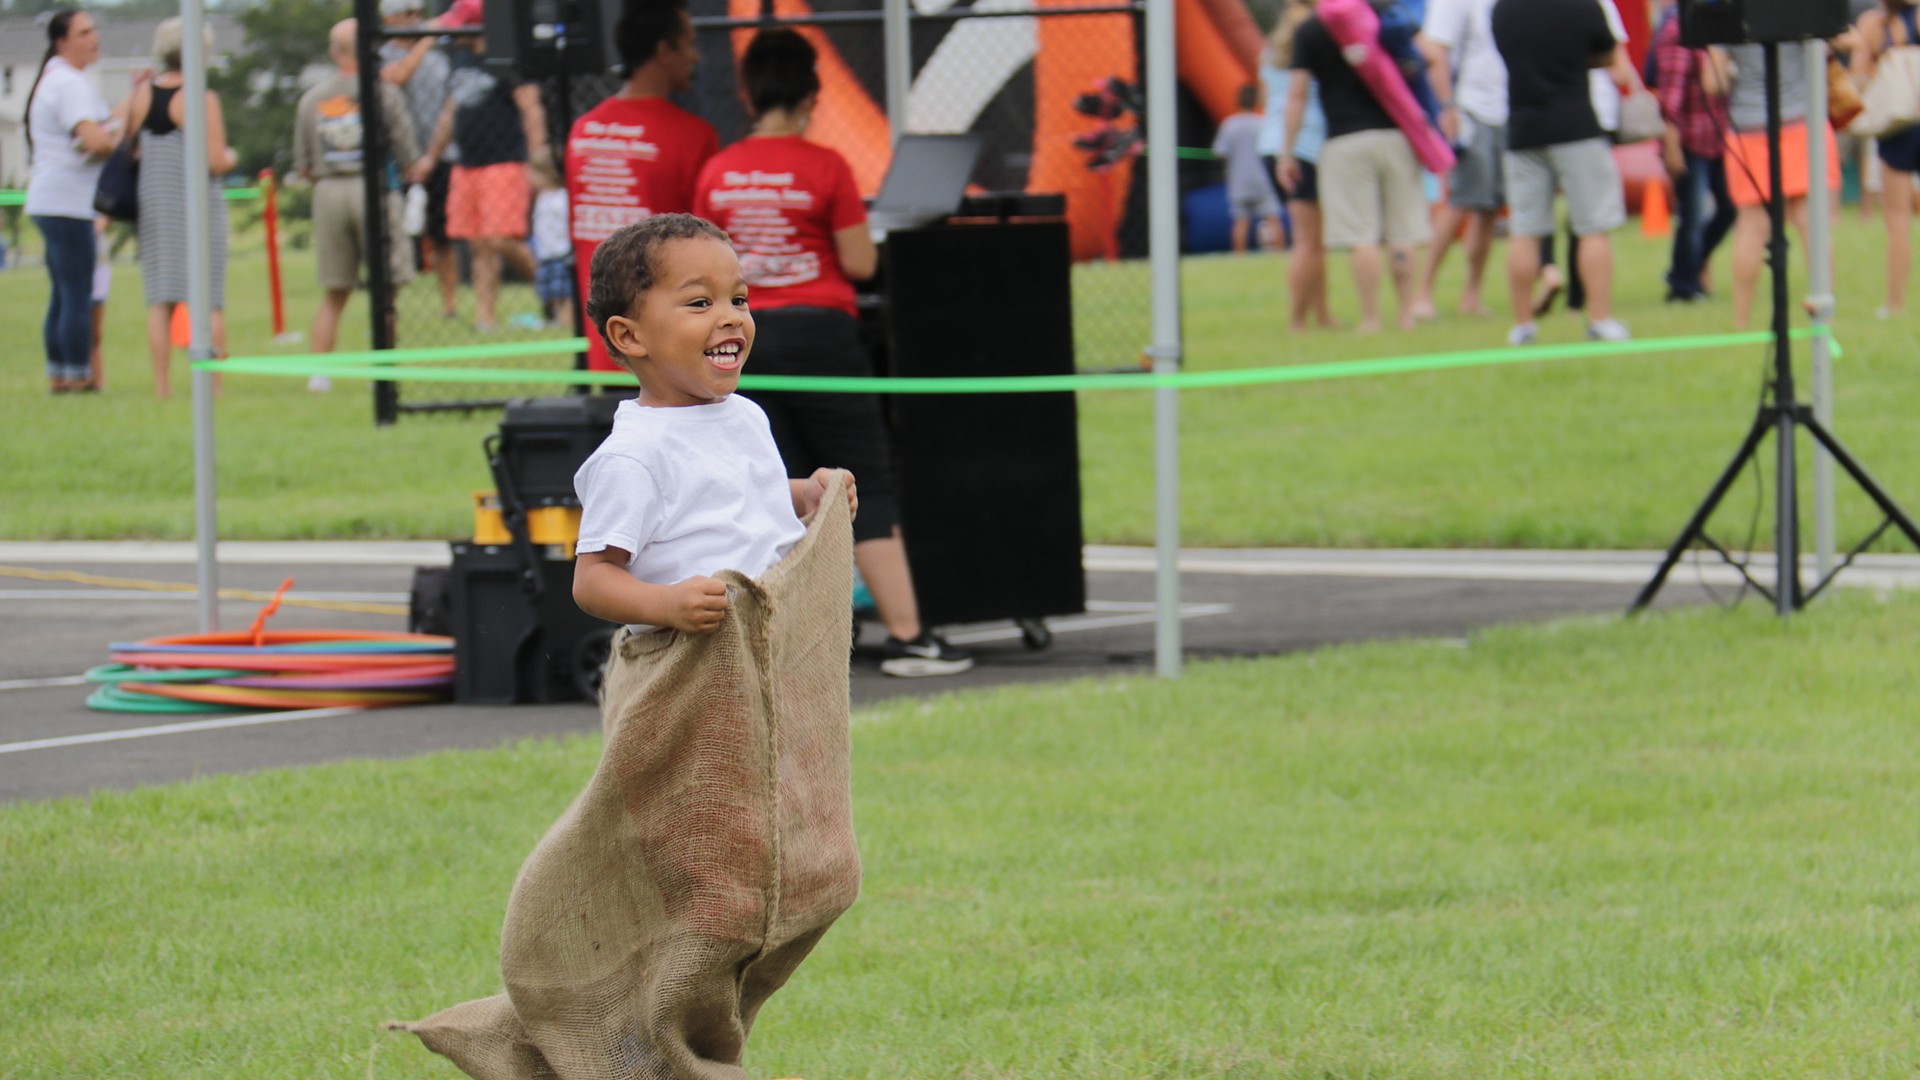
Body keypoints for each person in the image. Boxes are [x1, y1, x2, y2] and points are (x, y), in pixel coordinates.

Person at [694, 29, 975, 676]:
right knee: (860, 478)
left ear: (746, 94)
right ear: (812, 96)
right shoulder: (826, 166)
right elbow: (860, 261)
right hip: (822, 335)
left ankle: (786, 642)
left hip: (746, 338)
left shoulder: (718, 172)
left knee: (776, 484)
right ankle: (908, 635)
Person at [572, 213, 855, 632]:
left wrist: (804, 495)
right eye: (700, 303)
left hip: (773, 634)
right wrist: (666, 604)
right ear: (629, 336)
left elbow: (738, 497)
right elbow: (592, 579)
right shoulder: (633, 456)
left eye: (738, 299)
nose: (732, 317)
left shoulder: (745, 414)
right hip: (692, 654)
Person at [565, 0, 718, 372]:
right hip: (671, 354)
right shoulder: (691, 135)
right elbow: (710, 244)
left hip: (608, 339)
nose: (695, 57)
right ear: (665, 51)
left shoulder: (584, 130)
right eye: (689, 44)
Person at [1282, 2, 1434, 333]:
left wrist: (1287, 151)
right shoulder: (1383, 12)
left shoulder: (1311, 29)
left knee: (1361, 236)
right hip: (1397, 137)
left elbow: (1297, 95)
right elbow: (1427, 57)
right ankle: (1406, 315)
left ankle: (1371, 319)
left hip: (1345, 141)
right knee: (1402, 232)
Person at [1491, 0, 1631, 345]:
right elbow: (1608, 56)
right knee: (1593, 227)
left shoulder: (1503, 9)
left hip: (1522, 128)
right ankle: (1599, 319)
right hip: (1575, 124)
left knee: (1525, 230)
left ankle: (1523, 325)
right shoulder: (1582, 6)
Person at [296, 18, 418, 388]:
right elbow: (407, 154)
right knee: (386, 291)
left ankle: (320, 376)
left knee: (335, 290)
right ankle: (382, 375)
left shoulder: (311, 99)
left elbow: (303, 166)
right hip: (374, 190)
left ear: (334, 53)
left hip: (328, 192)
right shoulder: (384, 93)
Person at [122, 16, 239, 399]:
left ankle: (162, 386)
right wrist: (233, 157)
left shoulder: (142, 96)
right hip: (196, 205)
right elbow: (215, 161)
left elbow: (130, 147)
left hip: (155, 203)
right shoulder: (200, 97)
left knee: (161, 299)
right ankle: (214, 385)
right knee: (209, 298)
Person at [410, 9, 546, 333]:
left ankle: (553, 294)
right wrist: (431, 156)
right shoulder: (461, 61)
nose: (454, 35)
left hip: (505, 161)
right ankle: (485, 317)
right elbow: (449, 112)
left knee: (501, 239)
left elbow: (531, 108)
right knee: (478, 244)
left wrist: (537, 158)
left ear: (478, 28)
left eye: (460, 28)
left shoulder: (506, 61)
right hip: (467, 165)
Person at [1706, 40, 1841, 328]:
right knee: (1811, 223)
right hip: (1803, 121)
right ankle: (1824, 314)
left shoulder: (1724, 14)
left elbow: (1712, 83)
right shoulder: (1801, 13)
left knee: (1751, 226)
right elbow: (1832, 47)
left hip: (1749, 126)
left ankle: (1741, 321)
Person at [23, 9, 122, 394]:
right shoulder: (68, 82)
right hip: (68, 203)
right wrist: (117, 142)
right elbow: (94, 141)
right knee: (78, 293)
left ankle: (60, 374)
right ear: (61, 42)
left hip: (50, 200)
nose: (94, 37)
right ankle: (79, 376)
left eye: (94, 30)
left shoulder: (56, 79)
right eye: (83, 32)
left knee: (63, 293)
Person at [1417, 0, 1507, 318]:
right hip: (1472, 108)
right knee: (1460, 200)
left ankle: (1471, 295)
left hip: (1506, 108)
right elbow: (1435, 51)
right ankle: (1423, 292)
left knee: (1490, 206)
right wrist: (1446, 106)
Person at [1652, 0, 1735, 304]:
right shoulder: (1678, 28)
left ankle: (1688, 269)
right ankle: (1682, 287)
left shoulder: (1713, 26)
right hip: (1688, 139)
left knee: (1729, 208)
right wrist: (1671, 144)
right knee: (1693, 216)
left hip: (1715, 136)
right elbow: (1670, 94)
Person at [378, 0, 457, 318]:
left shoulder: (439, 59)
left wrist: (431, 156)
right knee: (391, 235)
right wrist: (425, 42)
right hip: (396, 160)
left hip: (438, 156)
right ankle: (390, 309)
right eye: (409, 14)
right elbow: (396, 78)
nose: (417, 20)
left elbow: (449, 107)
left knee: (443, 235)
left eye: (419, 14)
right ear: (391, 19)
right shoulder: (381, 55)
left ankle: (449, 305)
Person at [1262, 1, 1337, 330]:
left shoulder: (1267, 53)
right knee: (1308, 241)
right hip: (1302, 147)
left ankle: (1322, 315)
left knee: (1313, 240)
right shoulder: (1316, 43)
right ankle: (1297, 321)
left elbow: (1268, 98)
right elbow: (1301, 97)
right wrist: (1288, 152)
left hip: (1269, 143)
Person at [1854, 0, 1920, 317]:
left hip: (1898, 127)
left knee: (1897, 221)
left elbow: (1858, 77)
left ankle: (1894, 304)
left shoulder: (1875, 23)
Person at [1213, 84, 1285, 253]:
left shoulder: (1229, 125)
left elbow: (1220, 152)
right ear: (1256, 101)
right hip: (1263, 180)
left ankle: (1239, 257)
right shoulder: (1262, 124)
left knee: (1240, 222)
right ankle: (1280, 253)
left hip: (1239, 182)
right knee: (1273, 219)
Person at [529, 156, 574, 330]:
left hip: (561, 253)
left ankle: (566, 319)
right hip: (545, 254)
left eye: (533, 173)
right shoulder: (542, 198)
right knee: (551, 292)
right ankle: (556, 319)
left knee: (564, 291)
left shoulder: (561, 198)